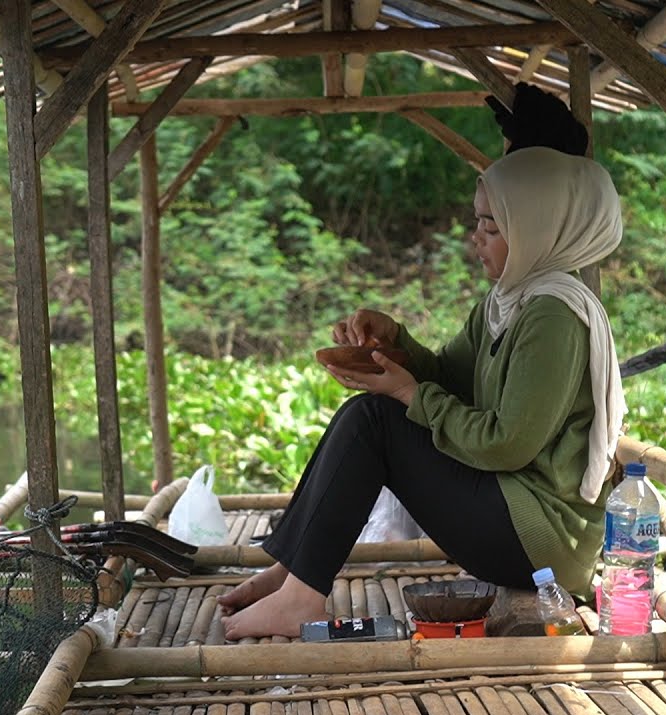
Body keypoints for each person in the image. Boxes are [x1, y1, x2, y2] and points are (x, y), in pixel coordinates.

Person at [218, 146, 626, 640]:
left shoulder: (552, 316)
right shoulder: (509, 301)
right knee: (368, 412)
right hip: (510, 511)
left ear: (539, 231)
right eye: (478, 223)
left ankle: (300, 593)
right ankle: (294, 571)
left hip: (541, 538)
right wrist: (395, 342)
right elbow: (448, 375)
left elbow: (508, 443)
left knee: (375, 422)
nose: (476, 238)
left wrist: (410, 393)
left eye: (493, 229)